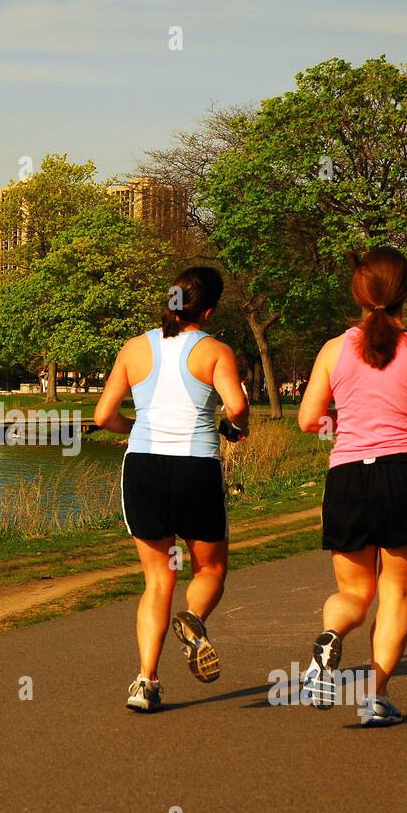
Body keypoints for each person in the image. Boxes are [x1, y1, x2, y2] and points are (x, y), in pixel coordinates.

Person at [296, 247, 407, 727]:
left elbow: (308, 420)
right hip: (402, 473)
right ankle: (375, 697)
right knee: (395, 592)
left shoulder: (333, 349)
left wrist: (351, 421)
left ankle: (329, 638)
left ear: (358, 292)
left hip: (347, 476)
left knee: (353, 593)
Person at [93, 266, 249, 713]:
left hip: (142, 467)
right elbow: (236, 406)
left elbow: (103, 416)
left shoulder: (133, 348)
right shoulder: (215, 350)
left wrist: (135, 427)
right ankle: (194, 619)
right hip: (195, 468)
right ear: (210, 310)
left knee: (157, 580)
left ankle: (145, 681)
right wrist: (236, 427)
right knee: (210, 570)